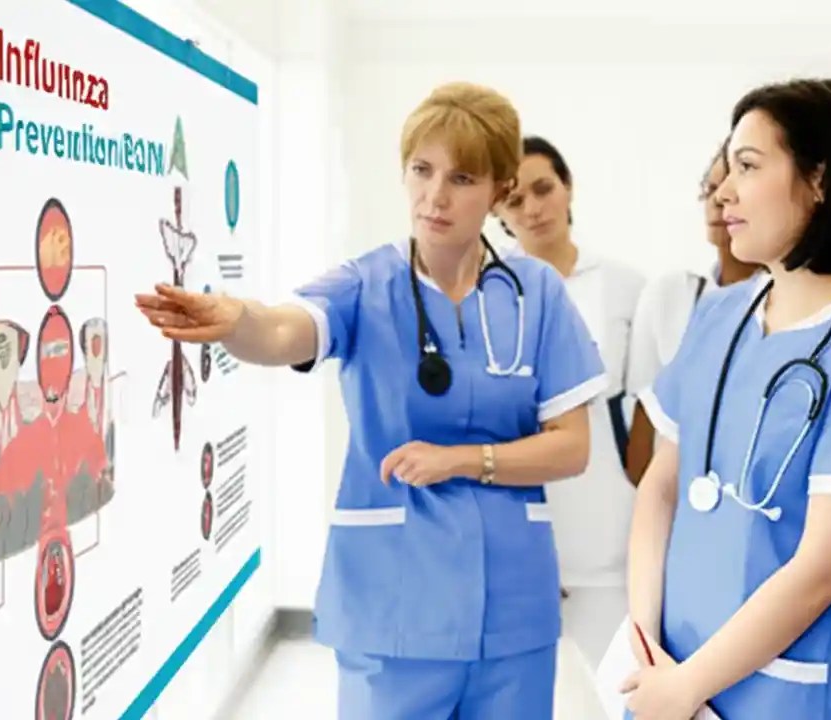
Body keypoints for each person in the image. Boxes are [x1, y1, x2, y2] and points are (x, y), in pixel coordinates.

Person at [135, 82, 607, 719]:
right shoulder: (366, 284)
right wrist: (236, 318)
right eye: (421, 169)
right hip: (393, 607)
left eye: (461, 177)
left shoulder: (536, 293)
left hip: (512, 613)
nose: (434, 196)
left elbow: (571, 446)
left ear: (500, 191)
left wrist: (461, 460)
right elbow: (283, 328)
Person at [621, 78, 831, 719]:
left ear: (819, 181)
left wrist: (685, 686)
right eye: (725, 170)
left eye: (749, 167)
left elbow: (824, 567)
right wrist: (648, 650)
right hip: (669, 676)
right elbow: (661, 487)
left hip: (785, 692)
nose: (722, 191)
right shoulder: (719, 316)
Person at [494, 135, 645, 660]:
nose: (533, 209)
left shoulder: (625, 285)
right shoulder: (485, 289)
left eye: (544, 188)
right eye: (515, 200)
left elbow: (647, 418)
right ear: (498, 211)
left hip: (607, 517)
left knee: (609, 682)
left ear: (568, 187)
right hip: (520, 519)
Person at [625, 143, 762, 486]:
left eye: (733, 188)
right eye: (710, 188)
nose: (719, 200)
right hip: (678, 500)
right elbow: (644, 419)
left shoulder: (785, 300)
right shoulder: (671, 294)